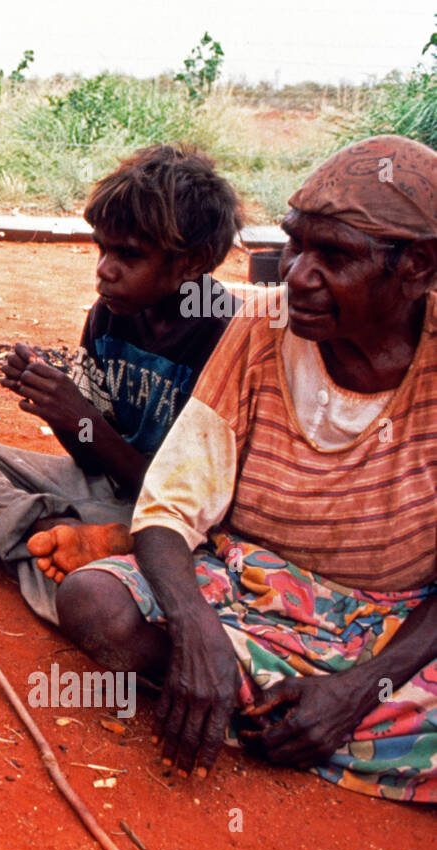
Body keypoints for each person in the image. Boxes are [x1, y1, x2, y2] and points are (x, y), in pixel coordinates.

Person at [56, 135, 437, 803]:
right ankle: (288, 717)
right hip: (244, 583)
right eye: (295, 245)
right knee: (95, 604)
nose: (296, 275)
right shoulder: (264, 326)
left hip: (391, 628)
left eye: (334, 257)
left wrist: (355, 691)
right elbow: (169, 503)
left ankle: (285, 711)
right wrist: (197, 629)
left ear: (417, 267)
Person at [0, 145, 242, 623]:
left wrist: (83, 416)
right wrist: (59, 410)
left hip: (170, 518)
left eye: (128, 255)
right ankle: (57, 531)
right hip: (105, 493)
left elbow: (181, 499)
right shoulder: (110, 316)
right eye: (102, 247)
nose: (104, 269)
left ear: (193, 262)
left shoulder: (224, 336)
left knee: (109, 594)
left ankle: (58, 542)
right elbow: (91, 458)